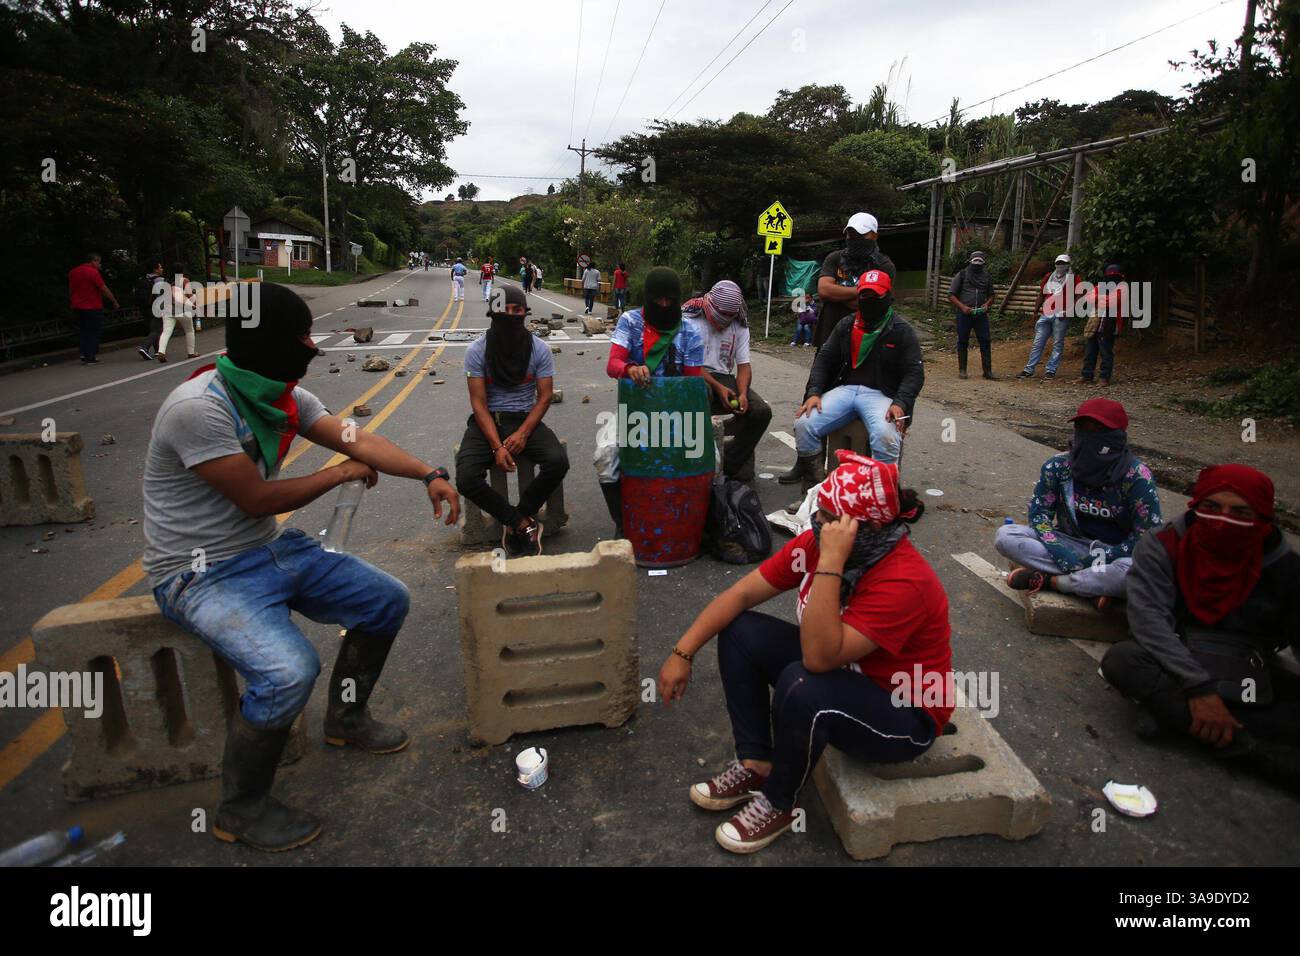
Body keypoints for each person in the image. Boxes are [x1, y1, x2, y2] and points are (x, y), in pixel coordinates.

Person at [142, 283, 460, 851]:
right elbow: (259, 499)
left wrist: (429, 473)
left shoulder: (279, 395)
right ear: (269, 342)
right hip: (197, 572)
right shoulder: (199, 408)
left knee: (385, 599)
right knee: (288, 671)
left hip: (266, 549)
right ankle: (240, 809)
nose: (312, 346)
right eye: (302, 336)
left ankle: (346, 717)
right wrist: (337, 474)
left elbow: (355, 437)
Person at [658, 451, 950, 854]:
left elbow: (818, 659)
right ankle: (757, 763)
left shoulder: (902, 579)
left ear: (859, 529)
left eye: (830, 519)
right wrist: (683, 652)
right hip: (850, 674)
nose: (818, 525)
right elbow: (741, 595)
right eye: (821, 513)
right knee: (740, 631)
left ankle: (779, 801)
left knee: (804, 682)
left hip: (903, 716)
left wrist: (830, 561)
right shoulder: (820, 544)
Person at [1101, 465, 1300, 793]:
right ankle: (1249, 748)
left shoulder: (1285, 567)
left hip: (1250, 670)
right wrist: (1199, 689)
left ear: (1263, 517)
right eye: (1211, 507)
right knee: (1123, 661)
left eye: (1240, 512)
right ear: (1196, 506)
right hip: (1178, 659)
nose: (1223, 520)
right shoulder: (1164, 544)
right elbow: (1150, 623)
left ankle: (1175, 717)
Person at [996, 398, 1161, 609]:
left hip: (1115, 554)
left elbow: (1147, 537)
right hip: (1067, 544)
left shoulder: (1137, 477)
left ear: (1117, 437)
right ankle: (1091, 588)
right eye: (1082, 429)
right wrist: (1059, 550)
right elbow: (1039, 515)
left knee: (1136, 573)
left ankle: (1054, 582)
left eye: (1098, 430)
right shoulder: (1058, 466)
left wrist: (1096, 559)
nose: (1088, 437)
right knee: (1006, 536)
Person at [778, 270, 922, 507]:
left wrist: (901, 403)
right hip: (845, 390)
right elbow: (824, 359)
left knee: (886, 436)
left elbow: (914, 373)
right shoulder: (846, 324)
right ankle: (813, 495)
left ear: (889, 296)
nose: (868, 301)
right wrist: (814, 392)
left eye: (876, 296)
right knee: (804, 424)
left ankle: (883, 501)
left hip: (882, 395)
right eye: (864, 295)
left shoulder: (901, 330)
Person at [455, 285, 569, 557]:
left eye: (516, 310)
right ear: (492, 313)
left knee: (557, 462)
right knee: (466, 478)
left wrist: (522, 434)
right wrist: (497, 446)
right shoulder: (476, 350)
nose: (510, 315)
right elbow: (479, 402)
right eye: (503, 310)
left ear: (525, 313)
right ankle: (519, 523)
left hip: (524, 419)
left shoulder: (539, 349)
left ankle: (520, 515)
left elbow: (544, 397)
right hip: (487, 421)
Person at [595, 266, 704, 535]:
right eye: (658, 300)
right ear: (648, 297)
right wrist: (630, 369)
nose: (664, 305)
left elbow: (692, 381)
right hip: (637, 411)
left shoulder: (691, 331)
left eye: (670, 300)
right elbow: (613, 364)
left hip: (678, 413)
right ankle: (624, 523)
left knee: (708, 456)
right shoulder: (630, 322)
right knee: (605, 455)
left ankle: (694, 520)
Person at [683, 280, 772, 483]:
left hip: (724, 377)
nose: (725, 320)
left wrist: (741, 394)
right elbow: (687, 364)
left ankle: (729, 461)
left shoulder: (739, 325)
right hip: (693, 374)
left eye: (730, 316)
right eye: (722, 314)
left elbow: (743, 366)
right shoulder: (688, 319)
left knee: (760, 411)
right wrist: (718, 388)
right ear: (710, 305)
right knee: (701, 392)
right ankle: (697, 461)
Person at [811, 213, 896, 350]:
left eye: (861, 236)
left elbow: (873, 304)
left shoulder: (884, 265)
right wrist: (864, 291)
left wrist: (838, 294)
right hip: (829, 336)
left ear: (874, 236)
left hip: (866, 340)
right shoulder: (835, 258)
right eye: (851, 235)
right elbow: (824, 290)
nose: (855, 239)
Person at [1019, 254, 1082, 381]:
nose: (1060, 265)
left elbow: (1079, 295)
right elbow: (1042, 294)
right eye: (1058, 263)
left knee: (1057, 343)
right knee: (1038, 342)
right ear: (1055, 264)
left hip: (1061, 313)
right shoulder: (1049, 276)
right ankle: (1029, 369)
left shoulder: (1074, 278)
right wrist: (1035, 311)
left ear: (1068, 264)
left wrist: (1070, 310)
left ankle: (1050, 370)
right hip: (1047, 312)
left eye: (1063, 263)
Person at [949, 250, 997, 380]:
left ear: (983, 263)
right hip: (964, 314)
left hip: (980, 315)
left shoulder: (986, 277)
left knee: (985, 341)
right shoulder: (962, 275)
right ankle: (962, 370)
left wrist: (987, 304)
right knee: (963, 341)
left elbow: (992, 295)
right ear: (970, 261)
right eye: (975, 262)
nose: (977, 265)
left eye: (980, 262)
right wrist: (963, 307)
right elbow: (951, 295)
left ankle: (987, 371)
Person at [1076, 264, 1126, 387]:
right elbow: (1088, 298)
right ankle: (1087, 375)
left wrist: (1098, 299)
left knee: (1106, 351)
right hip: (1095, 322)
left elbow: (1112, 302)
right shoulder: (1100, 286)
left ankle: (1104, 377)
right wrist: (1102, 298)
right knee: (1090, 350)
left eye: (1114, 275)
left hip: (1110, 323)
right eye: (1110, 275)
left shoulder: (1123, 287)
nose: (1112, 278)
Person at [68, 252, 120, 365]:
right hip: (92, 306)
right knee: (94, 331)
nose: (100, 265)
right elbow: (103, 288)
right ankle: (90, 356)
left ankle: (83, 353)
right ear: (93, 261)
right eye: (99, 262)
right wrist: (114, 300)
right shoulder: (93, 272)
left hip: (77, 306)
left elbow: (71, 289)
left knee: (83, 331)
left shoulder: (73, 272)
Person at [156, 263, 198, 362]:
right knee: (189, 330)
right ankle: (191, 352)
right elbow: (189, 295)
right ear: (182, 271)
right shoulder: (184, 280)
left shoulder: (166, 281)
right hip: (182, 310)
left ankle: (161, 351)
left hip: (167, 310)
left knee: (166, 331)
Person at [136, 257, 166, 361]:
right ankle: (145, 347)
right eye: (160, 267)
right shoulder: (160, 280)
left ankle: (157, 350)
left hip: (145, 308)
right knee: (157, 330)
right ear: (155, 269)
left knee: (154, 329)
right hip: (156, 308)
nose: (162, 269)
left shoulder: (143, 279)